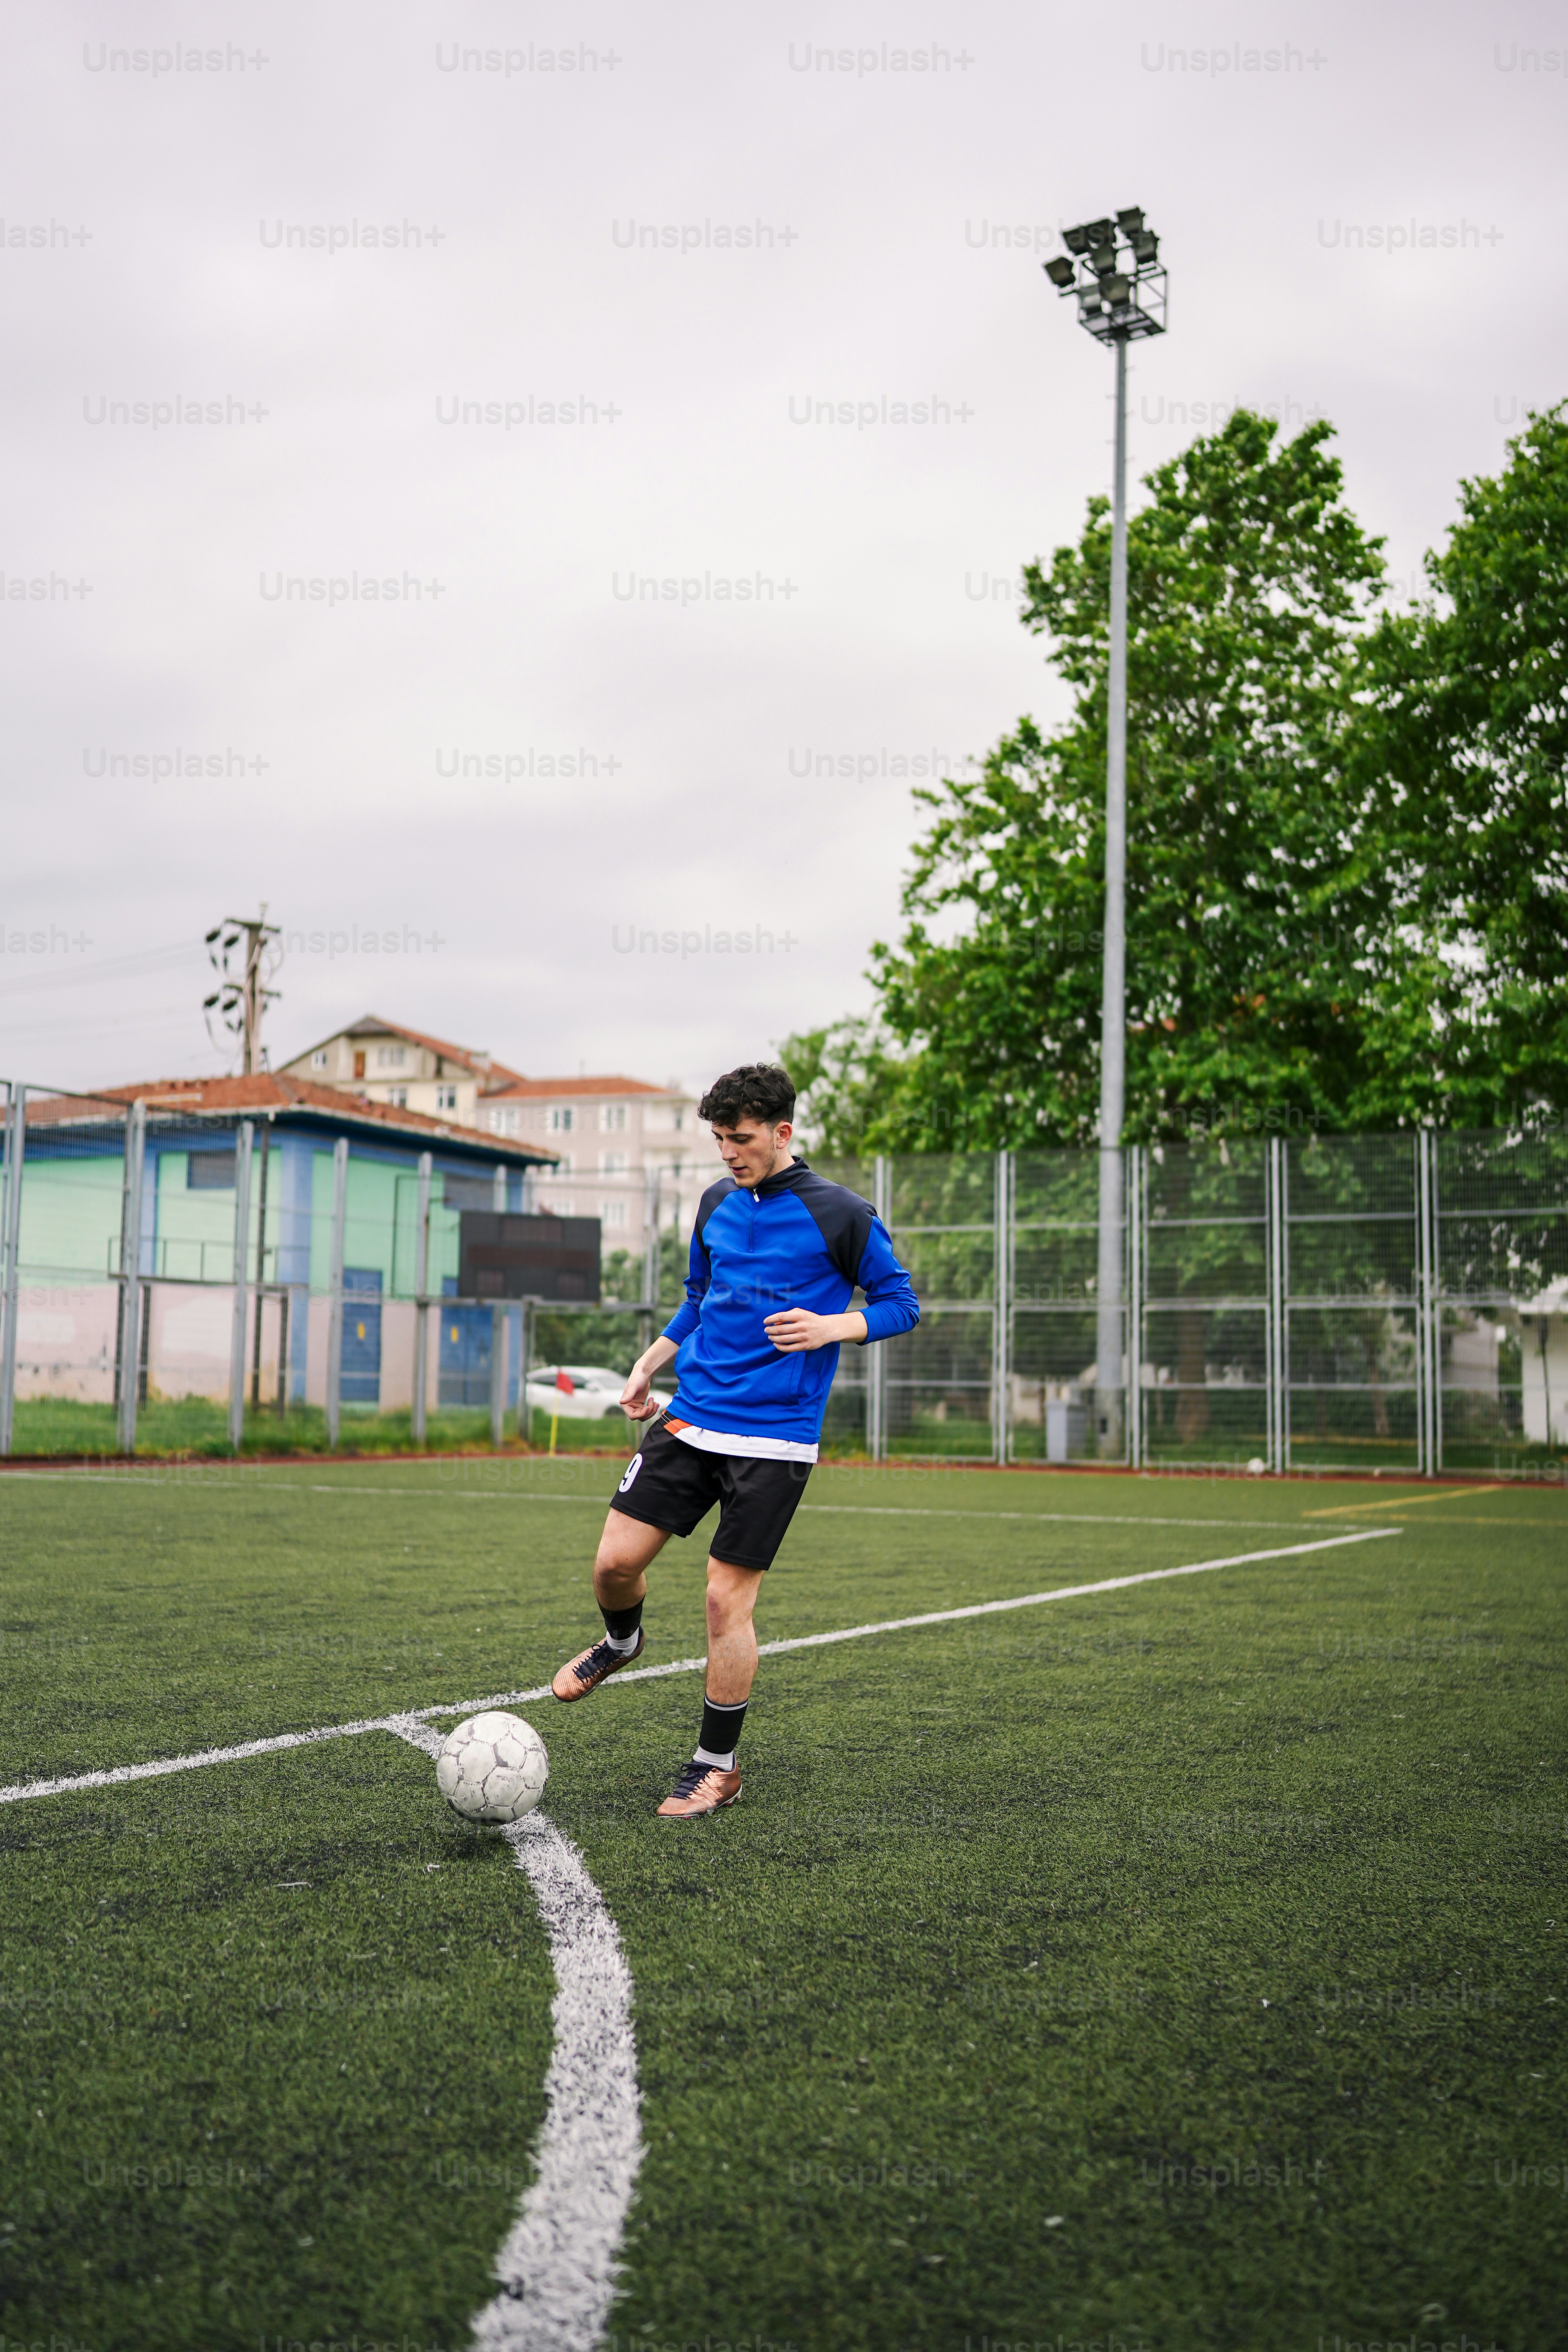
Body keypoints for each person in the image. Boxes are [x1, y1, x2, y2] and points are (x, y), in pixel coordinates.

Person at [551, 1061, 919, 1817]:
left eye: (741, 1137)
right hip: (689, 1417)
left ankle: (716, 1765)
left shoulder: (842, 1213)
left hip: (774, 1439)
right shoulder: (716, 1200)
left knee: (725, 1601)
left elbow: (900, 1302)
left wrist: (832, 1326)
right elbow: (698, 1297)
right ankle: (621, 1642)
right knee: (613, 1565)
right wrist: (649, 1361)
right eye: (719, 1138)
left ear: (783, 1131)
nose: (728, 1152)